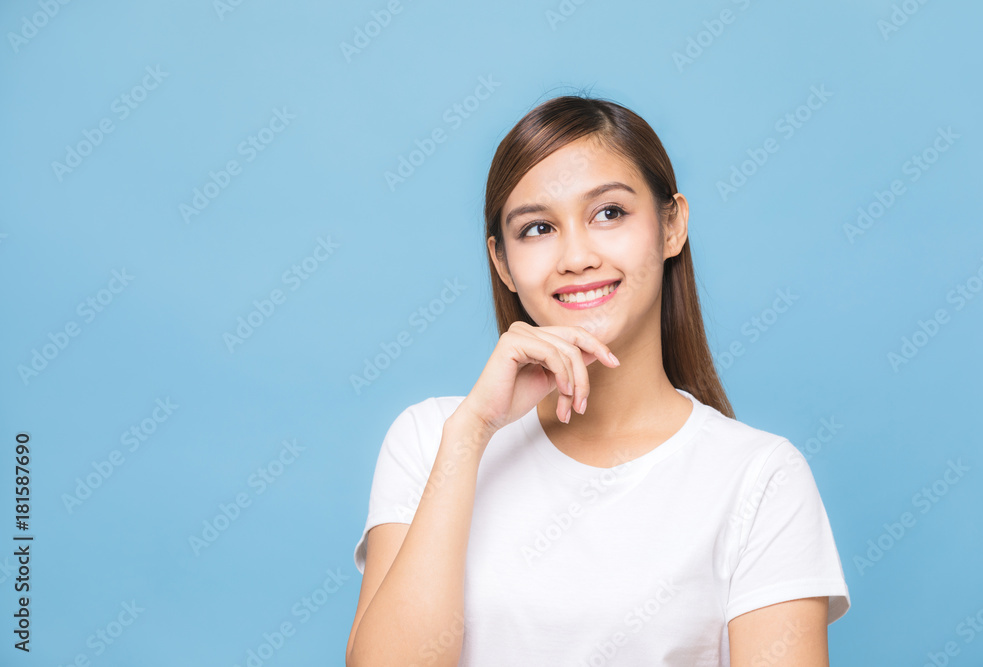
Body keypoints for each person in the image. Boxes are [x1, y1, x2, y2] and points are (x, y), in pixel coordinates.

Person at [346, 94, 850, 666]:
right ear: (502, 262)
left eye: (609, 213)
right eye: (538, 228)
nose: (576, 256)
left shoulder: (761, 479)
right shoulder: (432, 438)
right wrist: (471, 434)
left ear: (672, 226)